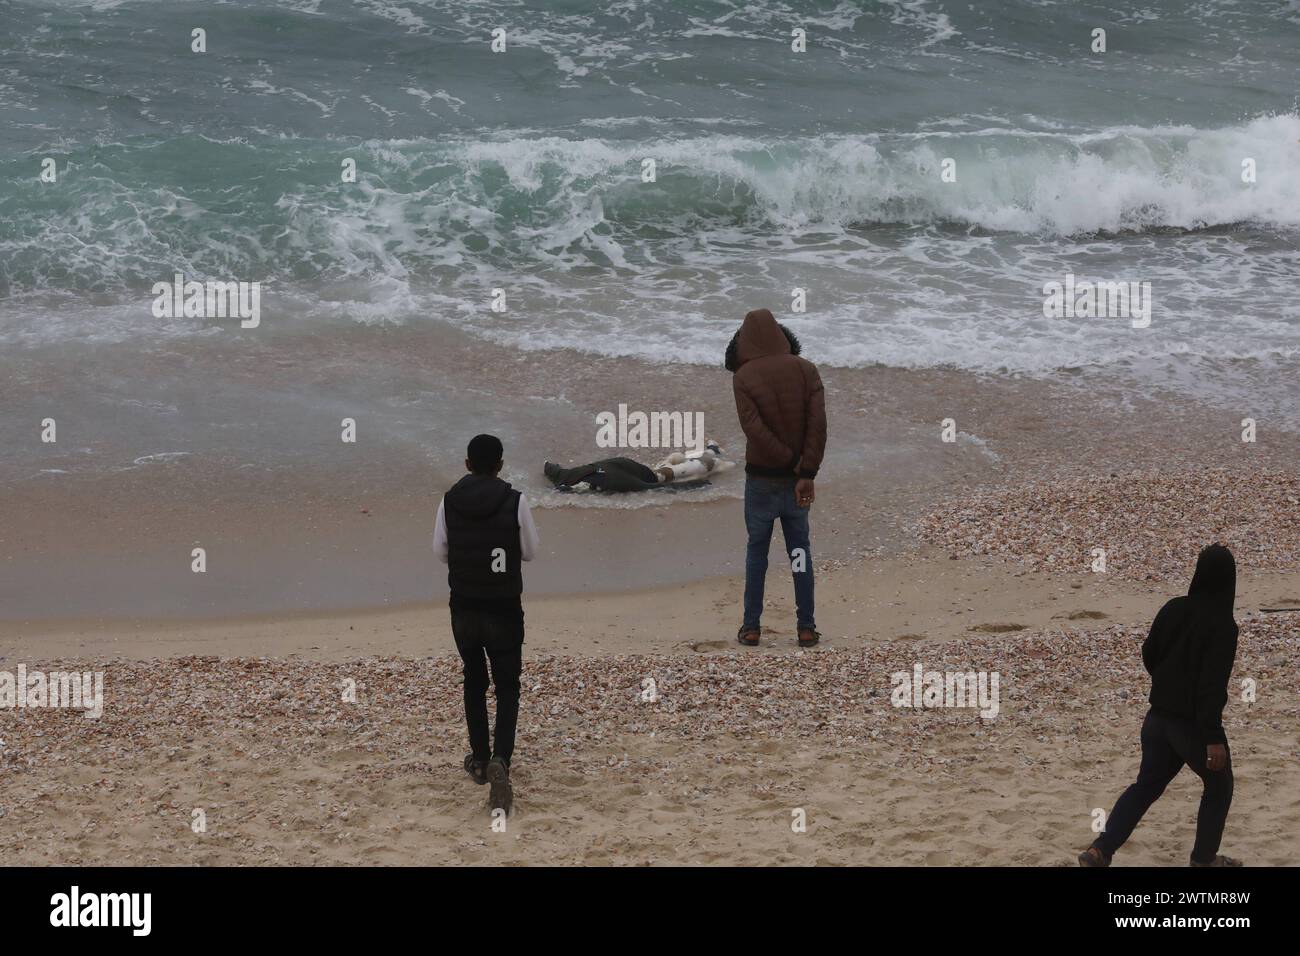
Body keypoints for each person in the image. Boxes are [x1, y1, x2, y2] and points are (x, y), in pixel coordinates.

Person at [1079, 544, 1241, 867]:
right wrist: (1212, 736)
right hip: (1191, 727)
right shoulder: (1223, 626)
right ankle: (1203, 859)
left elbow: (1149, 654)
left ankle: (1100, 849)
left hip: (1157, 720)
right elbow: (1212, 686)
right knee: (1220, 785)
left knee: (1145, 786)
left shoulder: (1173, 608)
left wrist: (1168, 684)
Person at [433, 434, 540, 815]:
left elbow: (439, 552)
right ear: (500, 465)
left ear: (466, 464)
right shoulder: (516, 501)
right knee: (507, 685)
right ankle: (501, 760)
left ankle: (478, 759)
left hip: (464, 607)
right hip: (504, 608)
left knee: (474, 680)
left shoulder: (448, 501)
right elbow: (530, 552)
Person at [726, 308, 826, 648]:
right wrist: (805, 471)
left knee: (757, 554)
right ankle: (806, 627)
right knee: (799, 552)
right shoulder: (806, 370)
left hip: (761, 483)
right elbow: (818, 426)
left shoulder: (743, 377)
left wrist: (788, 462)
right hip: (799, 483)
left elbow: (753, 429)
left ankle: (751, 626)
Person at [543, 442, 734, 493]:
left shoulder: (616, 482)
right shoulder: (568, 475)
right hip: (624, 466)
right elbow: (550, 468)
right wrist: (546, 466)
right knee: (672, 462)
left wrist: (698, 485)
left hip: (646, 475)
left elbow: (656, 488)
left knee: (673, 473)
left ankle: (712, 453)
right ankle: (703, 451)